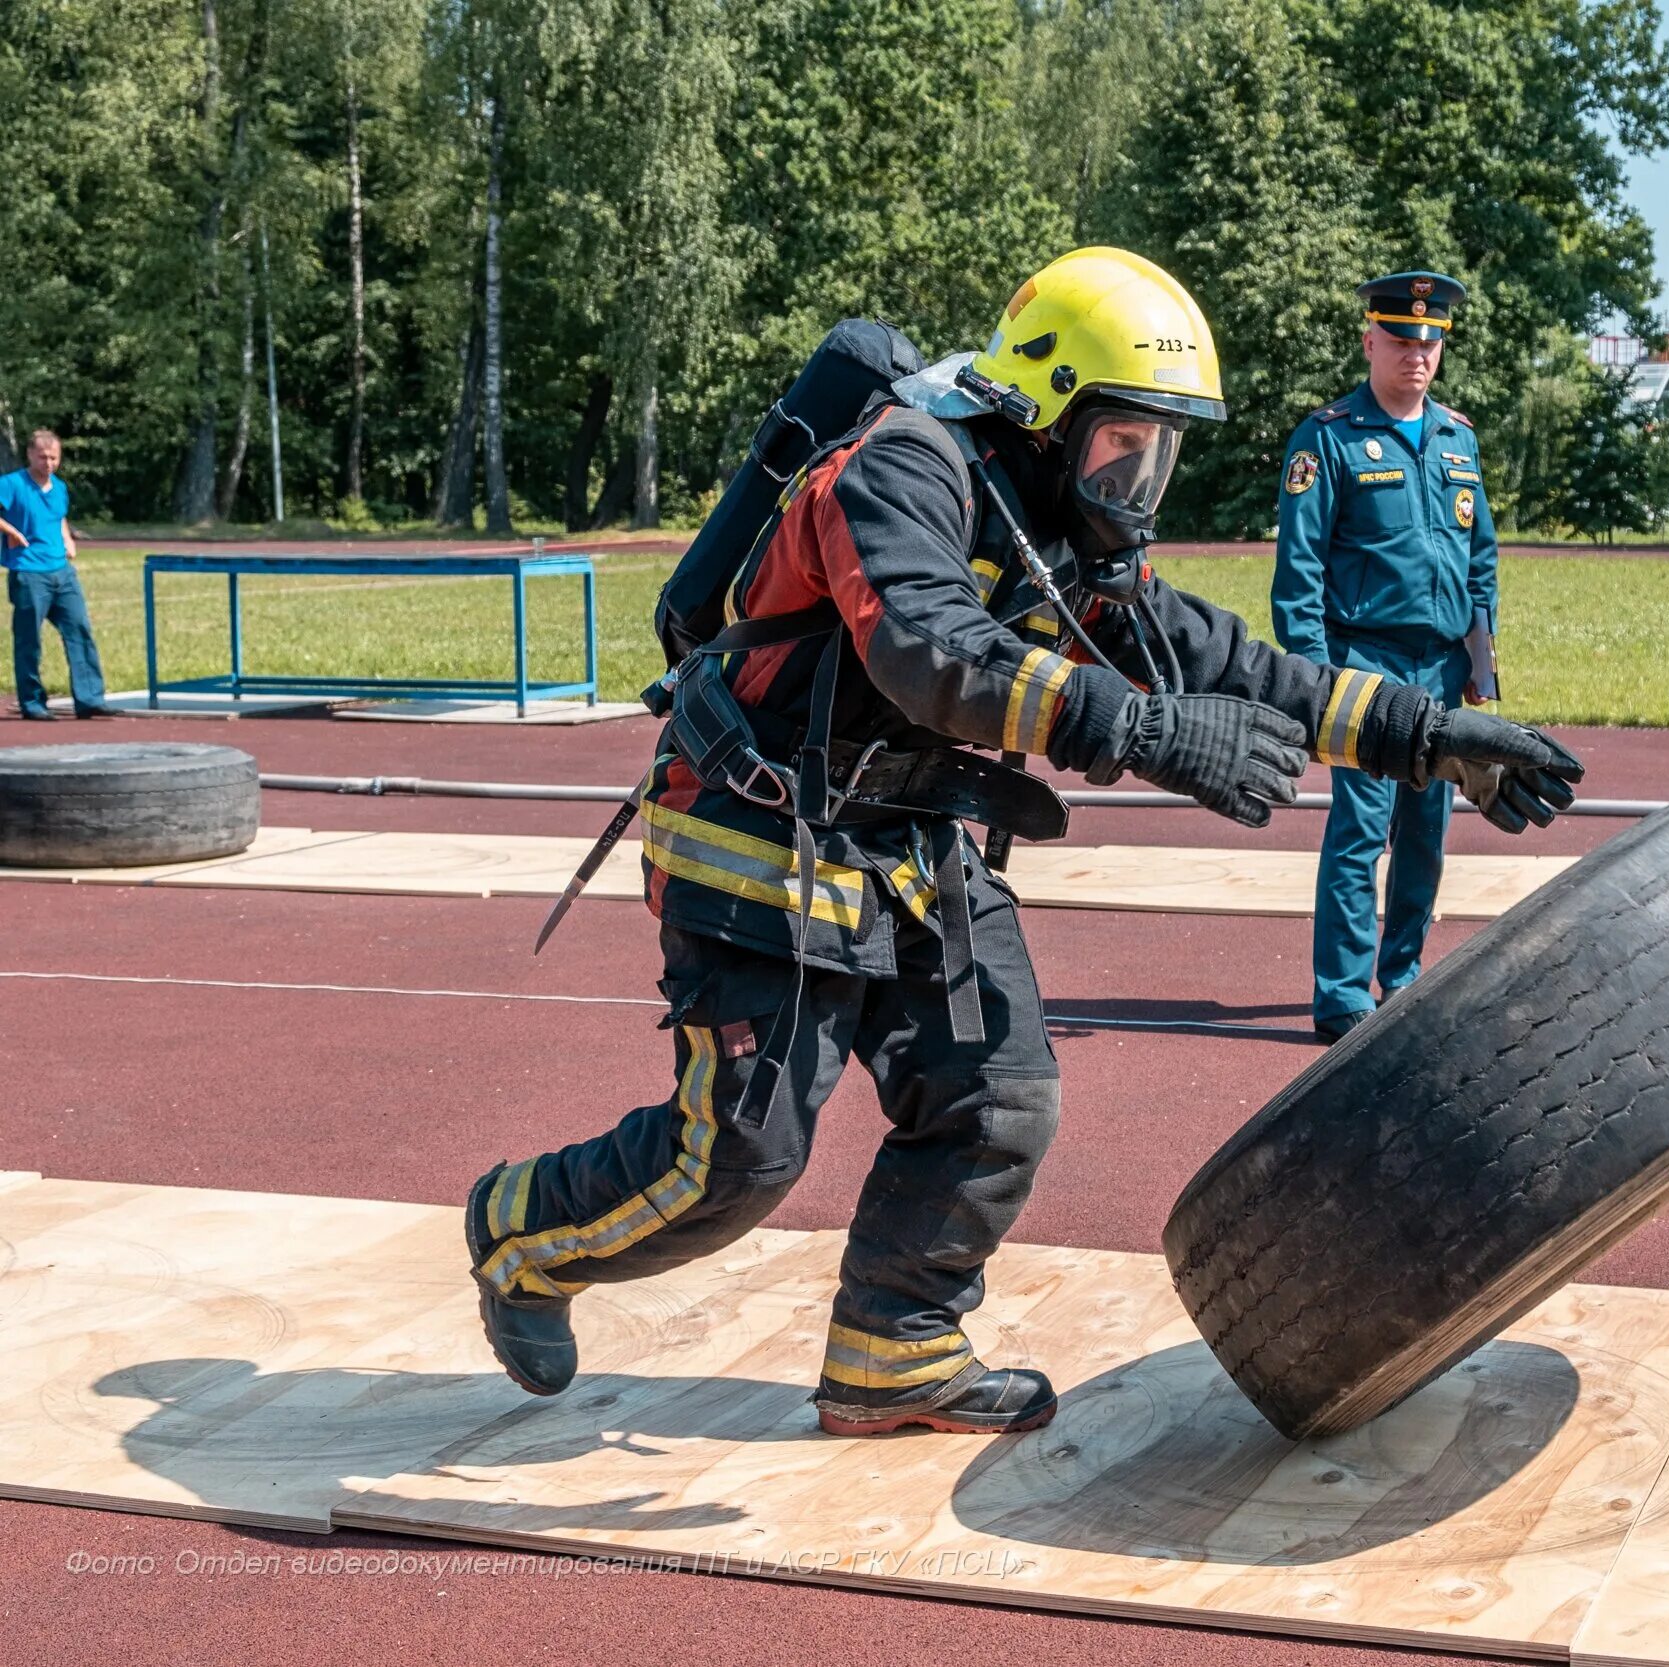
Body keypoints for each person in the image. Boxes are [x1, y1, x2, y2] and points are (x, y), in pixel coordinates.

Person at [462, 249, 1582, 1435]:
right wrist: (1140, 729)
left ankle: (895, 1342)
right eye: (1123, 442)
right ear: (1048, 409)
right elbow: (932, 651)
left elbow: (1220, 659)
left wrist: (1424, 732)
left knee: (998, 1096)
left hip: (914, 836)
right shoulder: (900, 468)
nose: (1140, 478)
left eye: (1161, 448)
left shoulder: (1061, 527)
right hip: (762, 830)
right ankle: (520, 1233)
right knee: (735, 1157)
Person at [1272, 272, 1500, 1043]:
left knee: (1425, 829)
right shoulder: (1327, 440)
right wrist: (1312, 680)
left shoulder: (1457, 439)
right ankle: (1342, 997)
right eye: (1403, 340)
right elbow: (1298, 574)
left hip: (1440, 670)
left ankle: (1400, 977)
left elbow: (1480, 562)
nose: (1418, 356)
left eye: (1430, 342)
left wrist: (1482, 661)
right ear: (1370, 339)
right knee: (1360, 830)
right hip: (1362, 663)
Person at [0, 430, 111, 720]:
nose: (47, 463)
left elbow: (58, 516)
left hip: (61, 572)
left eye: (53, 458)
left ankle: (89, 699)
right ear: (30, 455)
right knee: (29, 640)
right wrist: (11, 531)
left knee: (80, 630)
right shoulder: (11, 484)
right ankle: (33, 703)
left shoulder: (59, 488)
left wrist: (67, 539)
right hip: (28, 573)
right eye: (42, 457)